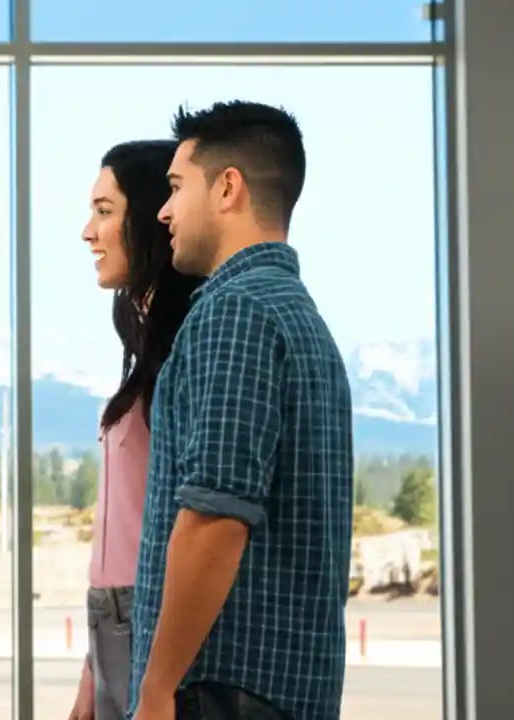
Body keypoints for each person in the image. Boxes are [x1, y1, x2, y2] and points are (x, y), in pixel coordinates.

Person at [128, 101, 352, 720]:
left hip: (220, 689)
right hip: (275, 690)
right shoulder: (296, 313)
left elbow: (215, 517)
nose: (164, 211)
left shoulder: (237, 313)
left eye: (175, 188)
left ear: (228, 188)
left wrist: (154, 687)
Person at [67, 140, 202, 720]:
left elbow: (194, 524)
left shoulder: (191, 349)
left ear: (147, 217)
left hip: (148, 616)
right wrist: (92, 672)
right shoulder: (146, 346)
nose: (87, 232)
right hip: (113, 618)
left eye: (104, 211)